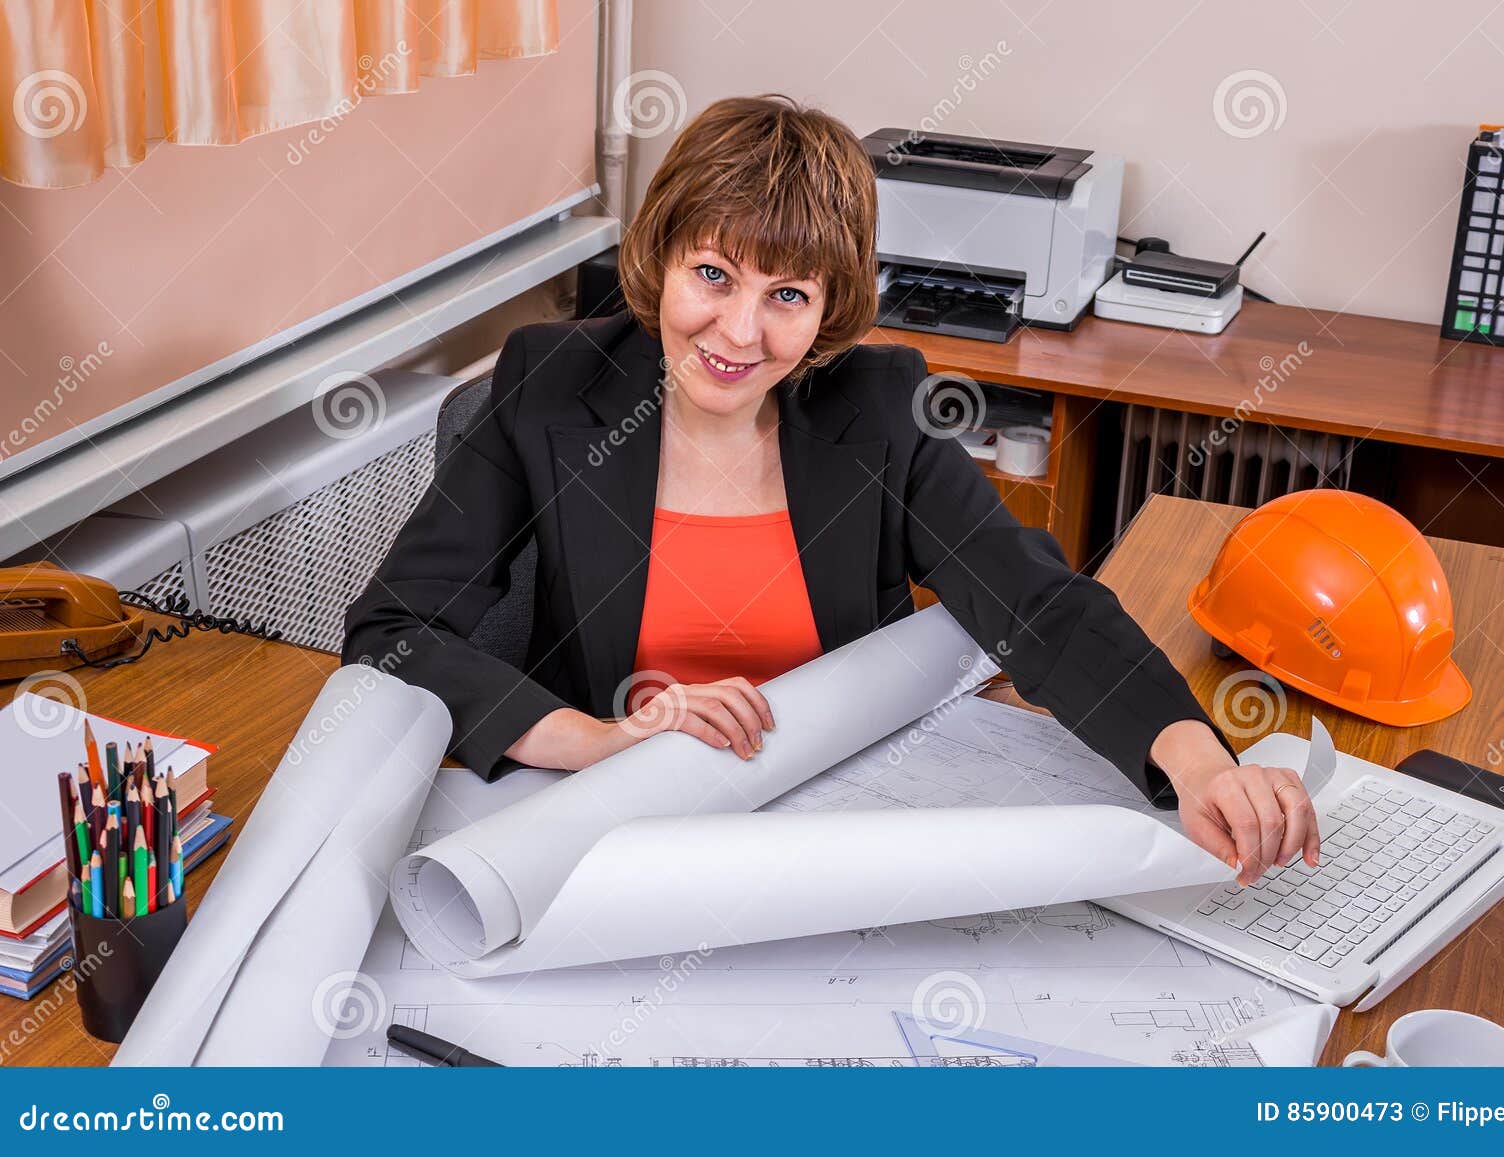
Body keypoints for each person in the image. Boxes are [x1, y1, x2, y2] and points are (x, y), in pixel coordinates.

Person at [342, 95, 1319, 886]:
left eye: (786, 296)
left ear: (830, 307)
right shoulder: (548, 384)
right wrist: (597, 740)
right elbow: (394, 628)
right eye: (713, 274)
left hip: (837, 830)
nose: (735, 332)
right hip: (617, 830)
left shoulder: (881, 408)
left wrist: (1194, 756)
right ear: (662, 257)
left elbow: (1037, 603)